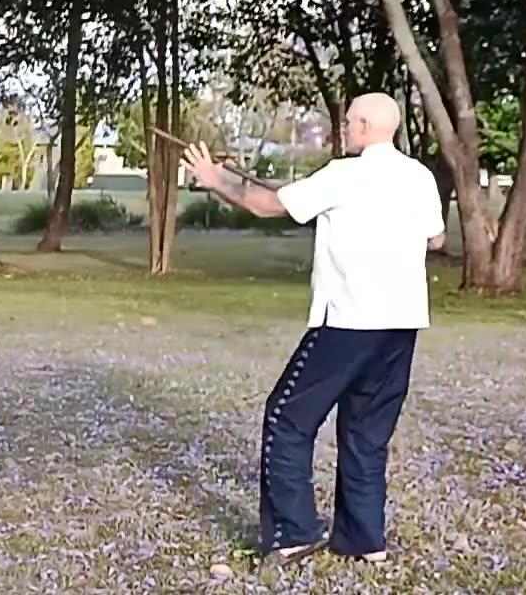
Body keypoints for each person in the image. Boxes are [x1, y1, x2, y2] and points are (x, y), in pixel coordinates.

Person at [181, 93, 444, 570]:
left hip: (348, 321)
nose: (343, 128)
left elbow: (264, 205)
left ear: (365, 126)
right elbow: (436, 236)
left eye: (348, 121)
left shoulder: (345, 175)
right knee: (366, 432)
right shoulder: (419, 177)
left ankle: (295, 533)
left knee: (286, 415)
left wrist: (214, 179)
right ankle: (365, 540)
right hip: (400, 326)